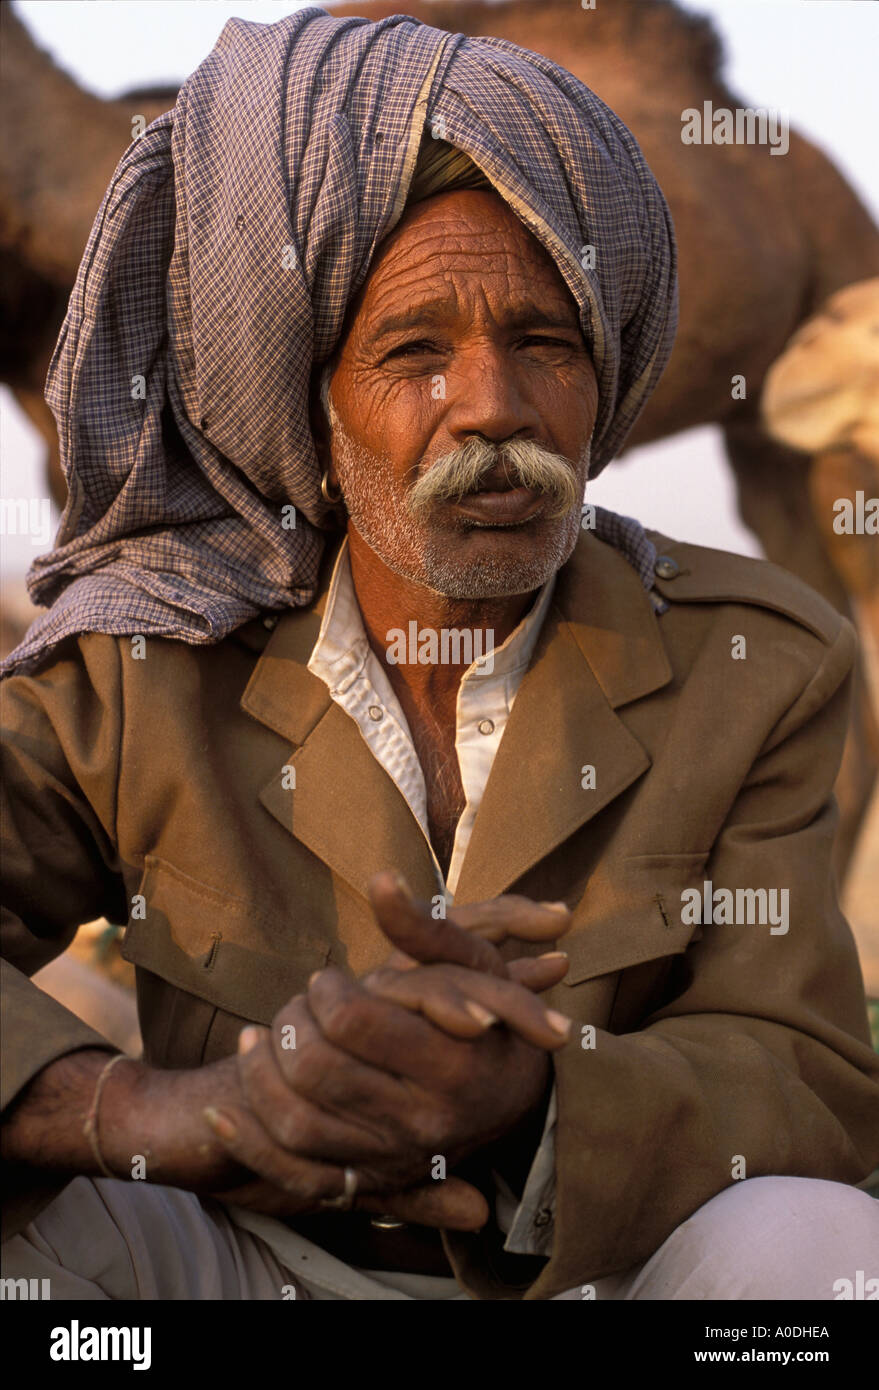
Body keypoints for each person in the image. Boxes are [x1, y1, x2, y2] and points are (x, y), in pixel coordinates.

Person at [1, 8, 877, 1302]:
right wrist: (149, 1110)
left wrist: (535, 1101)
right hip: (235, 1260)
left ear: (608, 368)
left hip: (587, 1271)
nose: (497, 410)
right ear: (306, 387)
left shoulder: (761, 661)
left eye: (547, 345)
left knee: (823, 1253)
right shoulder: (141, 668)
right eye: (415, 353)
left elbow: (803, 1076)